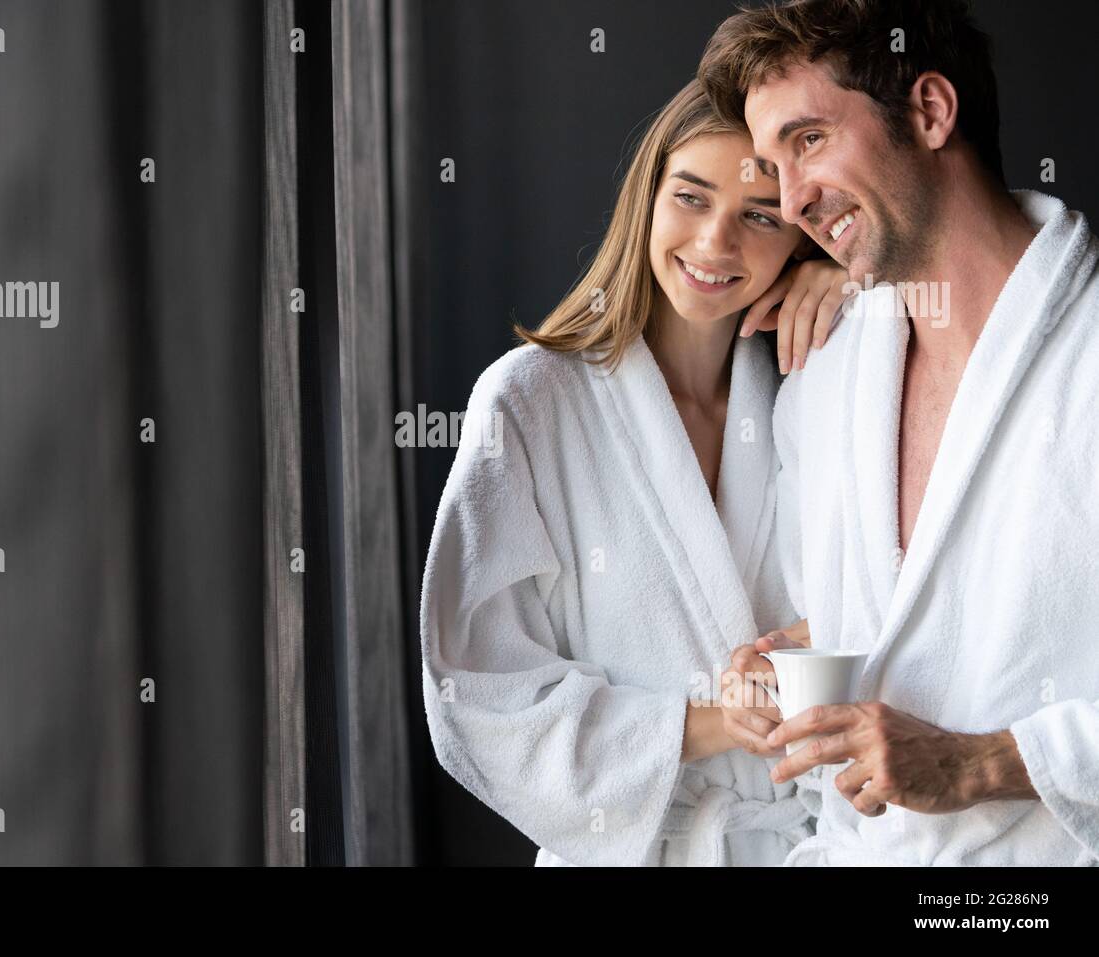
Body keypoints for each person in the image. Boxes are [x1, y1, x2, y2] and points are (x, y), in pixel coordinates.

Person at [701, 0, 1099, 865]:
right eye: (773, 164)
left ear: (928, 112)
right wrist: (785, 660)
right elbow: (905, 612)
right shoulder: (828, 377)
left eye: (809, 141)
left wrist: (982, 762)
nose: (793, 198)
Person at [419, 80, 848, 866]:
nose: (716, 243)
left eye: (759, 215)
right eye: (691, 196)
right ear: (647, 197)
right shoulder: (529, 401)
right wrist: (711, 722)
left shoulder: (820, 385)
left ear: (799, 236)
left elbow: (902, 596)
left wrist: (862, 289)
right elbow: (475, 690)